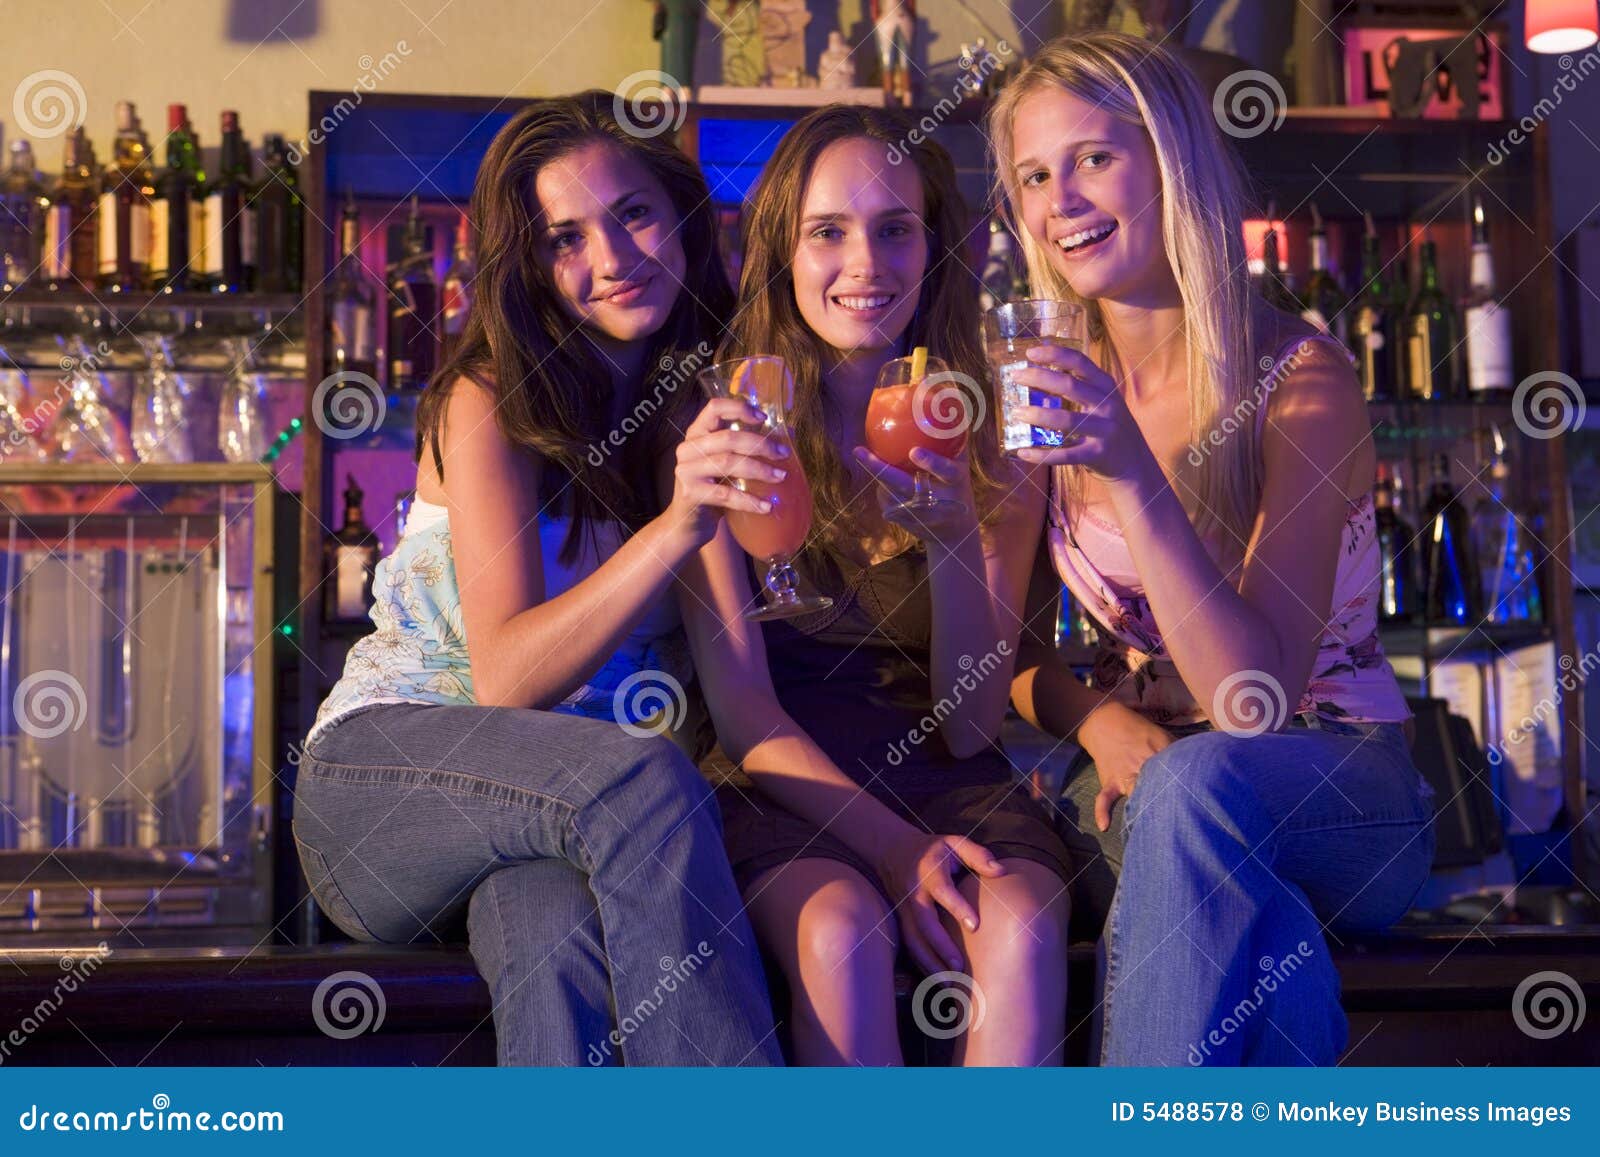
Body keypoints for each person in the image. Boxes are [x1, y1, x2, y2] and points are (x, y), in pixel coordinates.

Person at [290, 92, 784, 1067]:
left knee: (552, 932)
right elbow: (509, 677)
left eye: (633, 213)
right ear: (529, 264)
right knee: (644, 772)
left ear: (681, 212)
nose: (611, 257)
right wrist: (676, 527)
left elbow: (747, 707)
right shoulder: (484, 403)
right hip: (376, 787)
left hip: (545, 829)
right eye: (565, 237)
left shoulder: (695, 418)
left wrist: (902, 846)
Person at [991, 33, 1436, 1065]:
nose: (1062, 196)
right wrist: (1096, 719)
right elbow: (1001, 656)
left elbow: (1255, 702)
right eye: (1034, 173)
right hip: (1138, 781)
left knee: (1198, 788)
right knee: (1264, 935)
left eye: (1095, 157)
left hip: (1342, 784)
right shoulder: (1039, 377)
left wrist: (1134, 473)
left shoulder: (1301, 381)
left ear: (1171, 159)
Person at [679, 105, 1075, 1066]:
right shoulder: (721, 423)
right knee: (839, 934)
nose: (868, 262)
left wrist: (947, 543)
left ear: (935, 247)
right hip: (786, 782)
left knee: (1016, 925)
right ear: (781, 249)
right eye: (830, 231)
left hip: (953, 779)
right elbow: (741, 717)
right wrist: (896, 850)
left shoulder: (993, 436)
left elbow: (972, 726)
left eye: (897, 228)